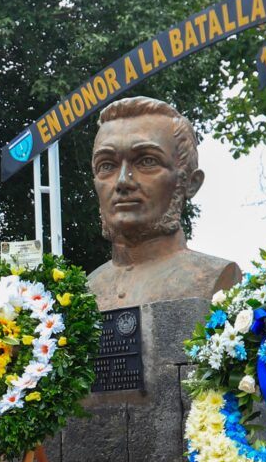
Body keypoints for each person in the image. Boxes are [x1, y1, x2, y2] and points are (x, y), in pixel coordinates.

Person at [86, 96, 239, 307]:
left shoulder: (214, 277)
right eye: (106, 165)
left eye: (147, 161)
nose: (122, 181)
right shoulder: (86, 291)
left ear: (190, 183)